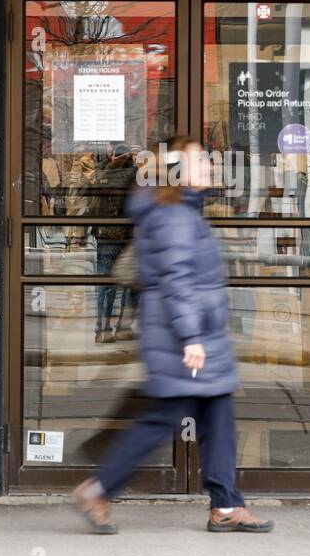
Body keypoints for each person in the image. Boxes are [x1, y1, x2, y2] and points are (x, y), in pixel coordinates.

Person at [71, 136, 274, 535]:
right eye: (201, 162)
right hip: (183, 340)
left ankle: (226, 504)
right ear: (180, 173)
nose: (211, 167)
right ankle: (98, 490)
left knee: (217, 417)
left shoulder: (180, 211)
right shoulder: (175, 217)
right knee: (159, 421)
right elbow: (178, 280)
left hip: (195, 338)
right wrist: (191, 338)